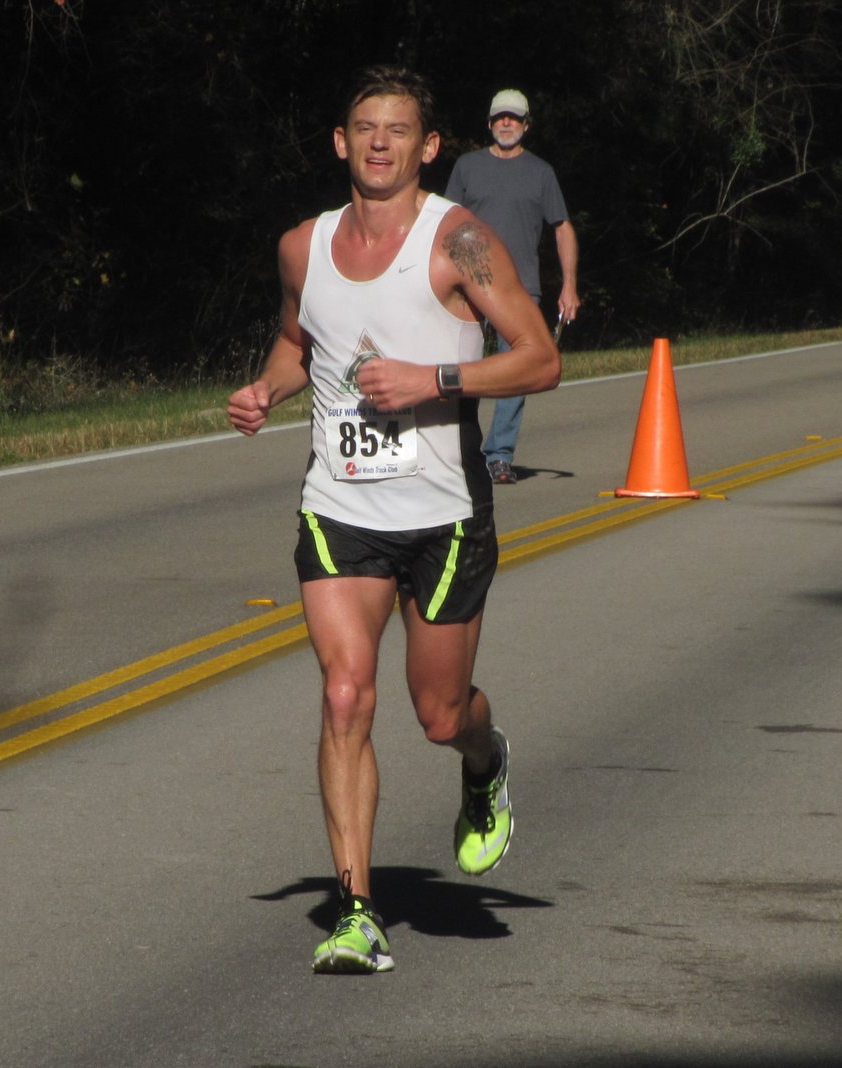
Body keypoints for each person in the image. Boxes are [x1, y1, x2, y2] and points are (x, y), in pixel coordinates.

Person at [227, 66, 560, 974]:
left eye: (398, 129)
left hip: (444, 512)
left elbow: (538, 360)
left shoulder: (458, 239)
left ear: (427, 146)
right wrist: (267, 386)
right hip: (339, 506)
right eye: (364, 127)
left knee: (439, 714)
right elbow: (302, 340)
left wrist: (435, 380)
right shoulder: (304, 243)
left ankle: (485, 765)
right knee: (344, 694)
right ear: (341, 142)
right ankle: (357, 912)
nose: (379, 142)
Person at [444, 89, 580, 485]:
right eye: (500, 117)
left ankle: (498, 455)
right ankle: (460, 450)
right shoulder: (468, 167)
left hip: (520, 288)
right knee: (462, 368)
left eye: (515, 118)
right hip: (468, 285)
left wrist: (569, 285)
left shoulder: (541, 173)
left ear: (526, 125)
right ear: (489, 123)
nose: (507, 123)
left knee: (516, 371)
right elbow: (444, 223)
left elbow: (562, 228)